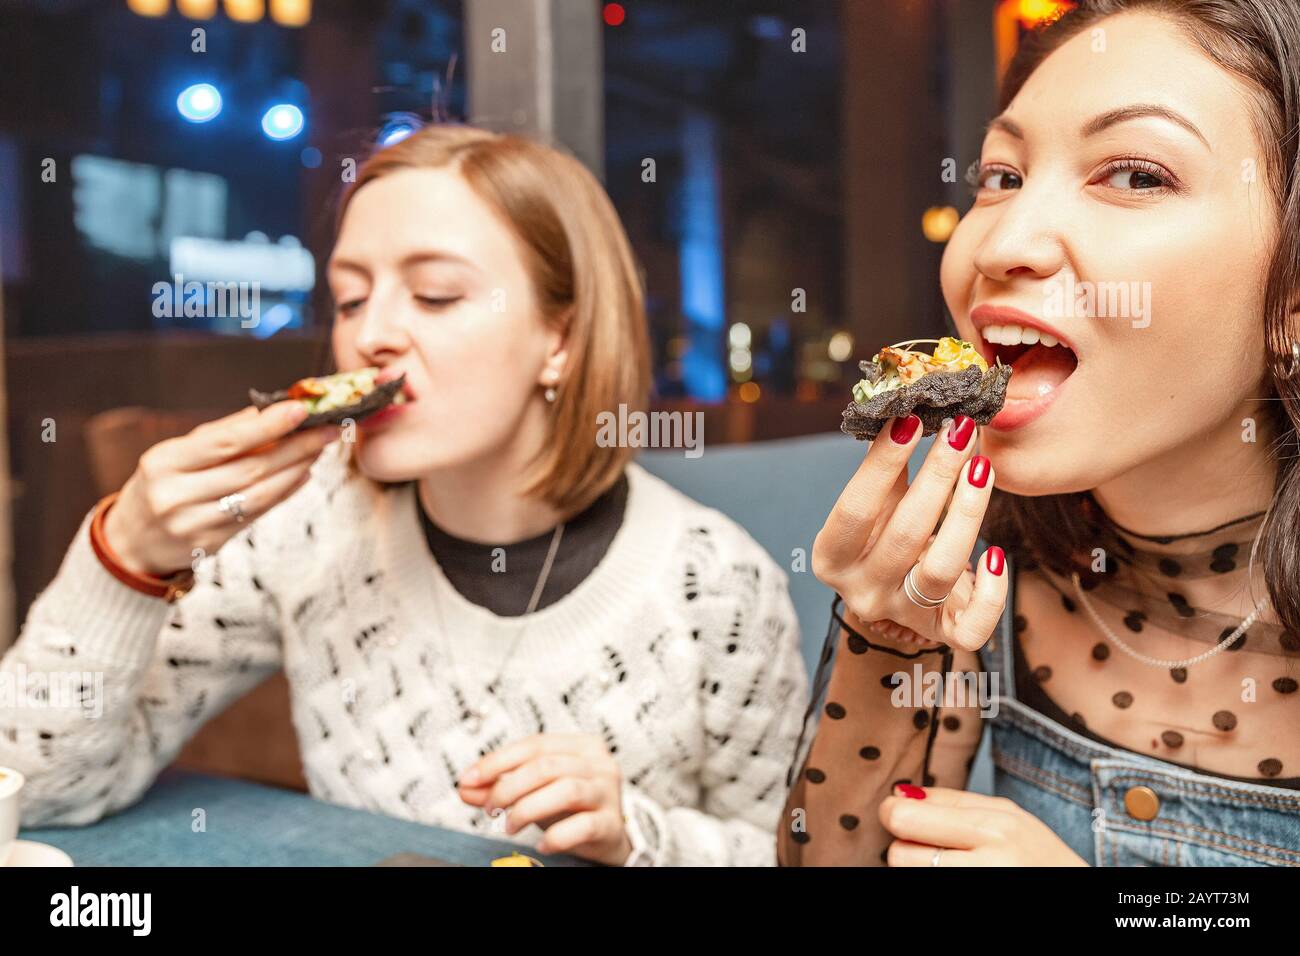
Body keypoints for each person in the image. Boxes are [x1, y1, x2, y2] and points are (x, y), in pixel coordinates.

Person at [0, 124, 808, 867]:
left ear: (559, 340)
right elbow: (39, 790)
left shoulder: (716, 584)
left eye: (435, 296)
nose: (369, 334)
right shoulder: (308, 525)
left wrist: (637, 831)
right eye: (350, 298)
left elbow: (790, 856)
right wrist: (125, 559)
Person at [781, 0, 1300, 866]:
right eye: (1001, 177)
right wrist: (887, 641)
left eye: (1135, 175)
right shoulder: (985, 563)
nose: (1002, 242)